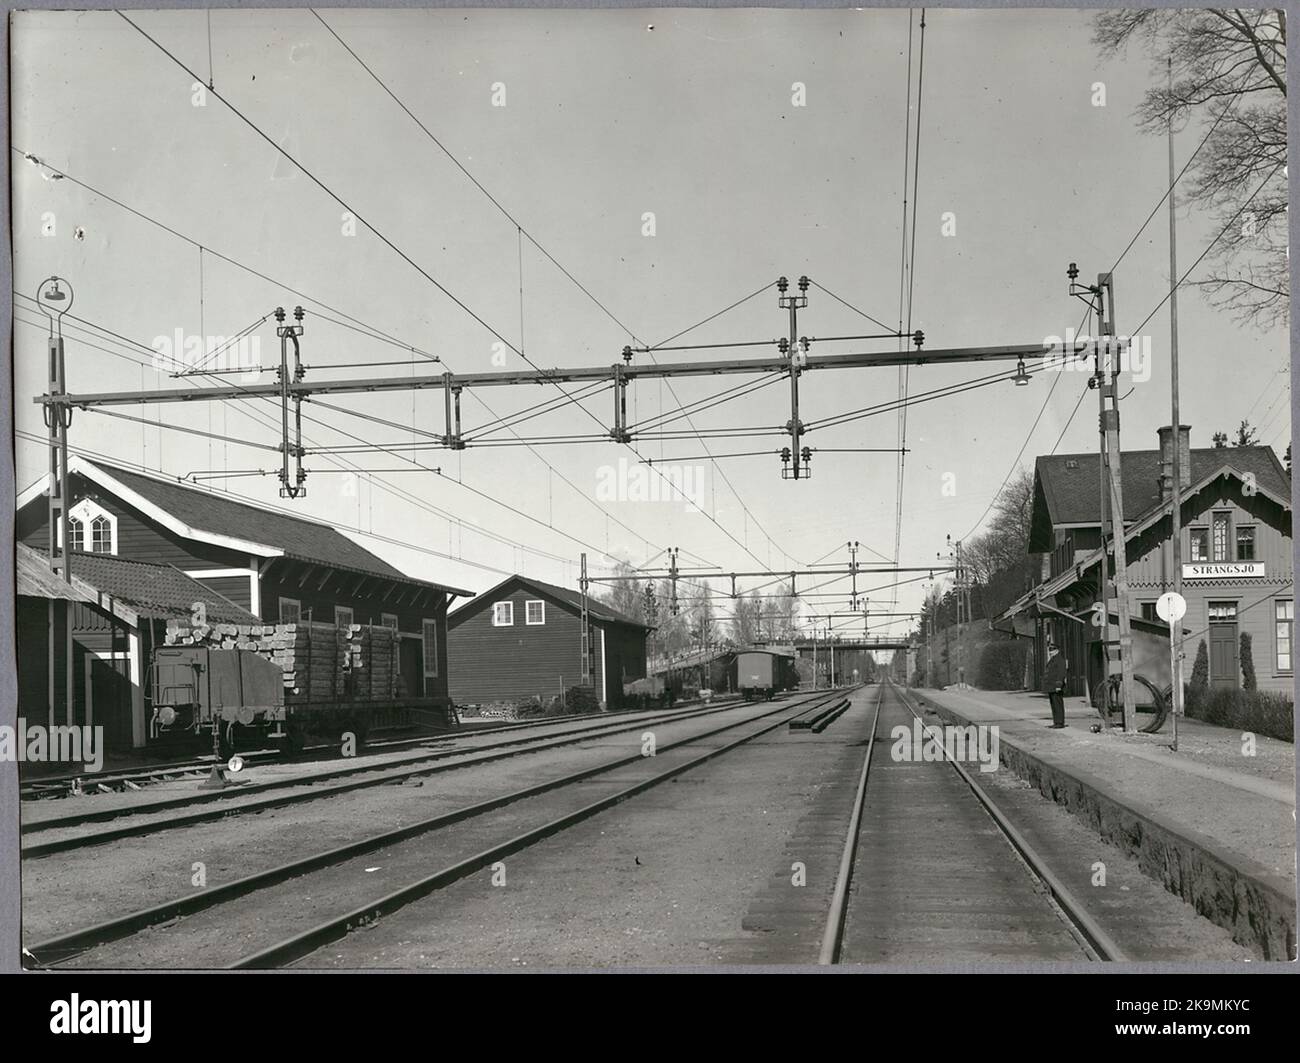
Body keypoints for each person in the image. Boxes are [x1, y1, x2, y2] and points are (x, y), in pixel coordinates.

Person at [1042, 638, 1068, 728]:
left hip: (1056, 686)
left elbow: (1061, 673)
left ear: (1057, 650)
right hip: (1051, 686)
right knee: (1054, 705)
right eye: (1050, 650)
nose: (1050, 652)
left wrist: (1058, 685)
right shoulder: (1053, 659)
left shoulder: (1059, 659)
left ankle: (1060, 722)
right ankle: (1056, 722)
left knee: (1058, 704)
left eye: (1052, 650)